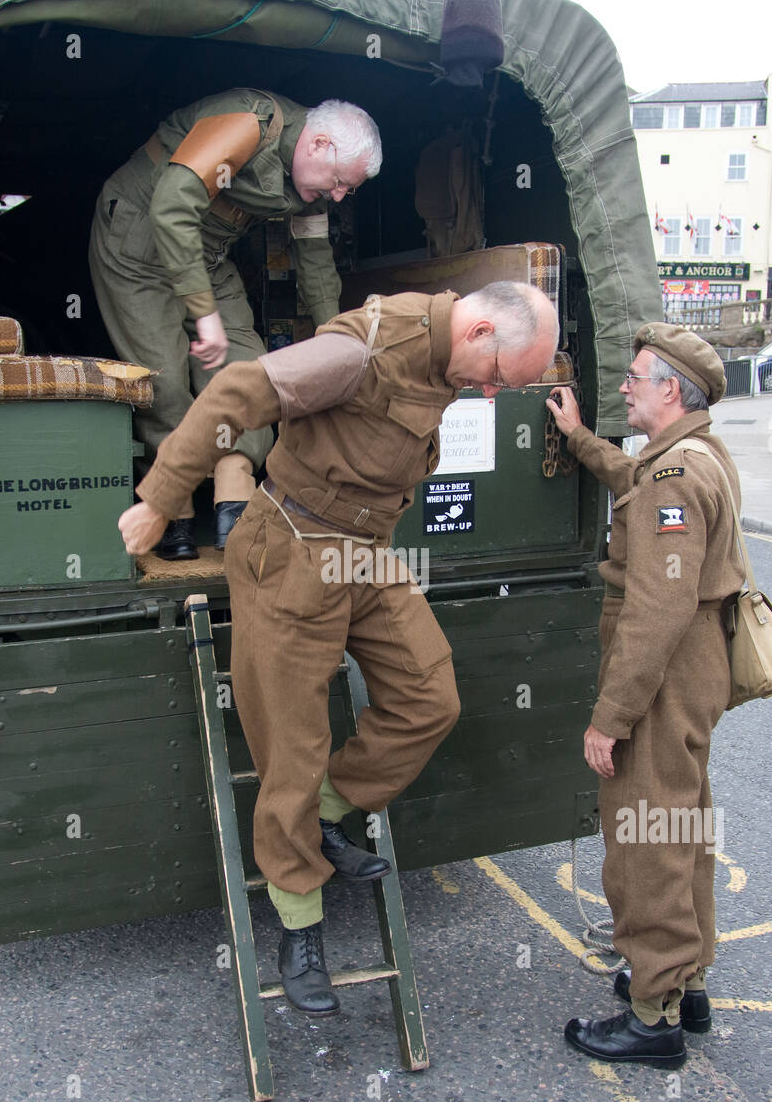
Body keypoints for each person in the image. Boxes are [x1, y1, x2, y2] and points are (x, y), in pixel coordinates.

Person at [119, 281, 559, 1013]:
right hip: (291, 550)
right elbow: (235, 392)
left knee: (429, 696)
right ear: (479, 332)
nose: (489, 394)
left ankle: (326, 810)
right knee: (290, 750)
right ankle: (300, 927)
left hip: (363, 551)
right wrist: (160, 499)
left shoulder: (449, 356)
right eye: (496, 377)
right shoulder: (365, 350)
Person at [546, 323, 743, 1068]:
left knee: (645, 842)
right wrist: (581, 436)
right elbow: (633, 486)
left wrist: (610, 719)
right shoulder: (690, 457)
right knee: (682, 827)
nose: (623, 385)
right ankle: (686, 982)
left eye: (633, 378)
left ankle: (652, 1016)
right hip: (694, 675)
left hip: (661, 682)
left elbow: (657, 612)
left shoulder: (675, 478)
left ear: (669, 389)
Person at [89, 90, 382, 557]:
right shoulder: (249, 124)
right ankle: (173, 508)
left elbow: (316, 262)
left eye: (349, 189)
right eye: (341, 182)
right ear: (319, 144)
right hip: (139, 243)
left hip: (205, 254)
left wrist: (339, 343)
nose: (340, 195)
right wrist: (204, 312)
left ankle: (233, 495)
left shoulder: (312, 187)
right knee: (162, 379)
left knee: (249, 369)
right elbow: (170, 208)